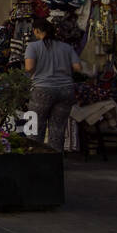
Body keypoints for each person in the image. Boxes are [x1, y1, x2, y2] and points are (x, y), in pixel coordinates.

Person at [25, 17, 82, 152]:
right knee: (58, 128)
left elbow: (29, 67)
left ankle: (34, 158)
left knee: (35, 126)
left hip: (42, 90)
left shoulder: (33, 46)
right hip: (66, 90)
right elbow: (78, 67)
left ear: (37, 31)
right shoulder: (66, 47)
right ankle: (55, 161)